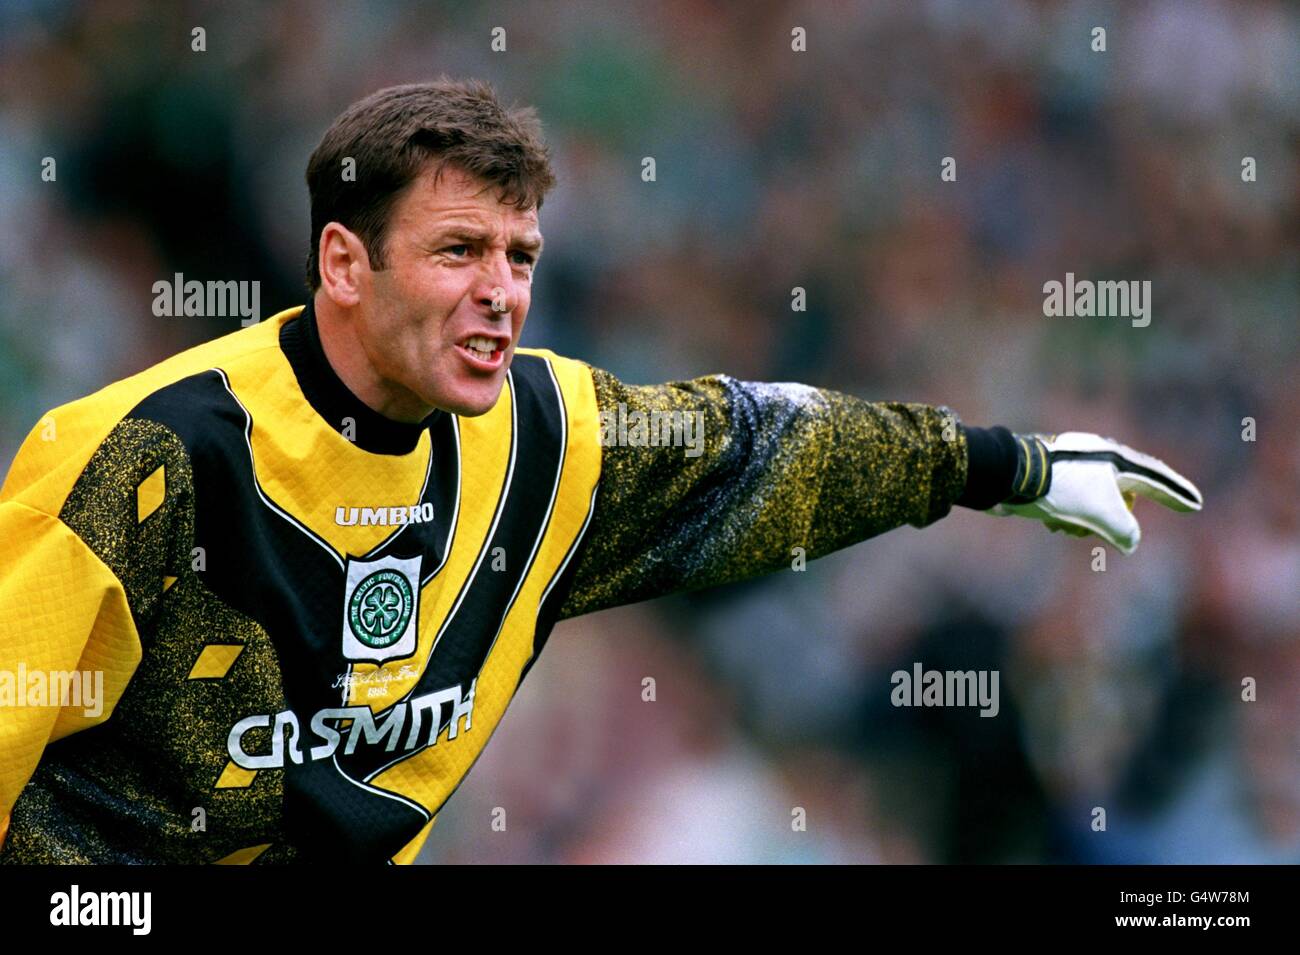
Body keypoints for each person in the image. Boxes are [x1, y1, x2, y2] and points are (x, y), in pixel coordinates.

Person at [0, 78, 1201, 864]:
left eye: (519, 255)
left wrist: (1003, 463)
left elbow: (766, 443)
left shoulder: (545, 439)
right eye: (459, 250)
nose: (502, 293)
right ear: (344, 263)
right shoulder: (138, 460)